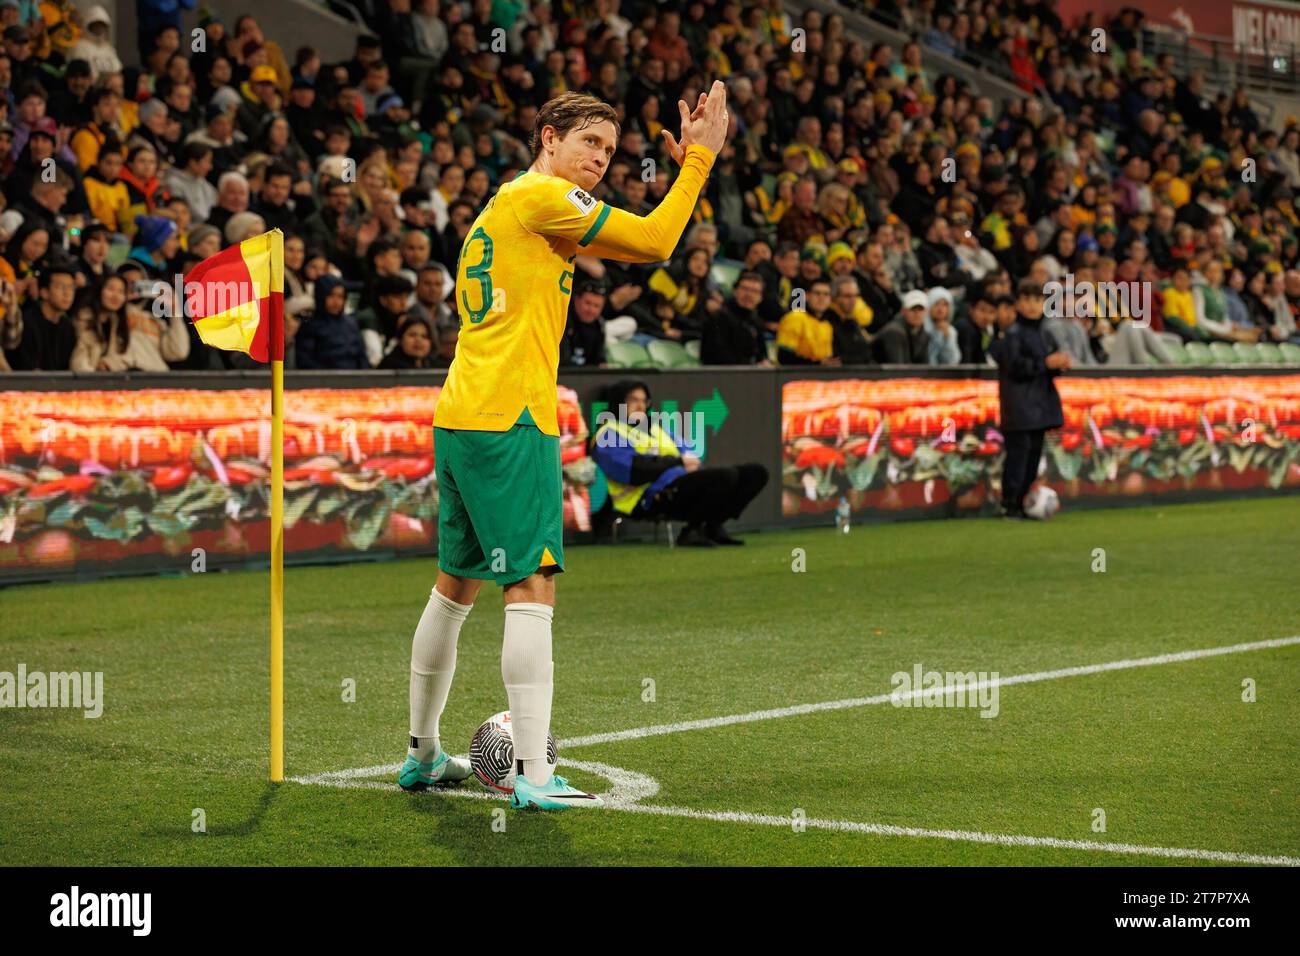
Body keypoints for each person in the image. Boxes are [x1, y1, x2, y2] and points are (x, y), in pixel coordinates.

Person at [400, 85, 728, 811]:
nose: (601, 162)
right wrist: (700, 158)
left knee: (455, 586)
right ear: (548, 137)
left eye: (610, 153)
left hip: (460, 415)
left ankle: (423, 755)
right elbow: (655, 243)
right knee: (532, 585)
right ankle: (533, 776)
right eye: (590, 144)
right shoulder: (544, 198)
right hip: (511, 420)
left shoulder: (502, 207)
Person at [590, 379, 768, 547]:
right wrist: (676, 462)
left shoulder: (654, 428)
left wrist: (690, 462)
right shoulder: (609, 433)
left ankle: (713, 525)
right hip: (649, 496)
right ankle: (691, 531)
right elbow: (633, 470)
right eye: (633, 400)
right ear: (618, 402)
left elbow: (685, 450)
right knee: (725, 476)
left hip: (680, 483)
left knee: (755, 473)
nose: (640, 406)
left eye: (644, 401)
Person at [990, 280, 1072, 519]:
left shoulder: (1044, 333)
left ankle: (1024, 500)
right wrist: (1046, 364)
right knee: (1019, 453)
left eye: (1038, 300)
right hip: (1018, 403)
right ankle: (1009, 503)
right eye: (1028, 300)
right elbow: (1015, 367)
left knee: (1033, 453)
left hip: (1038, 403)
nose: (1033, 305)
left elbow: (1043, 366)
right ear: (1018, 304)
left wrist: (1058, 365)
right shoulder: (1013, 334)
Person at [7, 260, 78, 370]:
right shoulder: (27, 322)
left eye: (71, 287)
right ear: (44, 292)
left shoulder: (68, 327)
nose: (67, 293)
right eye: (61, 287)